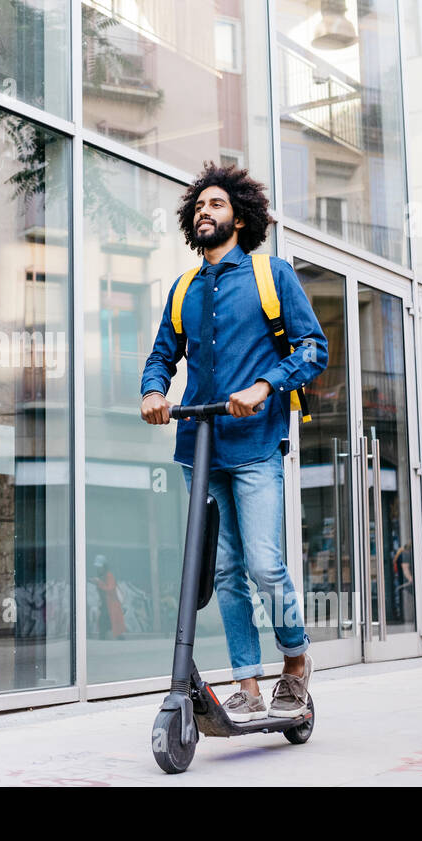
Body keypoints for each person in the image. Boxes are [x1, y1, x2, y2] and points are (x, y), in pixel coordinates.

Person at [139, 162, 328, 723]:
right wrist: (153, 391)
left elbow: (312, 347)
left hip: (255, 441)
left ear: (240, 219)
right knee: (223, 572)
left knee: (265, 566)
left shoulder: (273, 276)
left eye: (216, 205)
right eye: (199, 206)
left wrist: (266, 386)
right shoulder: (183, 290)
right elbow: (161, 355)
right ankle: (246, 682)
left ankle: (294, 663)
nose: (205, 211)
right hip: (199, 445)